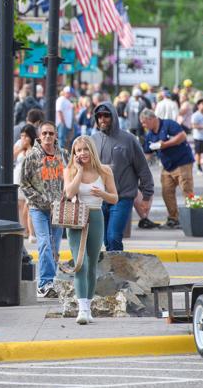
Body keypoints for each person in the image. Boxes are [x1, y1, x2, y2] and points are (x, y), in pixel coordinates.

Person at [63, 137, 118, 324]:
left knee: (92, 263)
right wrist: (78, 172)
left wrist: (102, 194)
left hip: (95, 217)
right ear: (74, 153)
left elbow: (115, 198)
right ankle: (82, 310)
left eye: (85, 149)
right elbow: (69, 193)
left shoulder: (104, 171)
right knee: (81, 263)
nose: (82, 153)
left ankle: (88, 306)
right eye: (78, 150)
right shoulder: (70, 170)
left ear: (92, 150)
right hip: (76, 220)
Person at [90, 102, 156, 242]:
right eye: (99, 116)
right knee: (105, 240)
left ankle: (117, 264)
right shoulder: (92, 140)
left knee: (114, 237)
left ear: (113, 116)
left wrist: (146, 196)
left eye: (106, 115)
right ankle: (114, 264)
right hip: (99, 198)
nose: (102, 119)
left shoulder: (129, 140)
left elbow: (143, 169)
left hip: (122, 198)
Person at [21, 121, 68, 298]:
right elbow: (24, 184)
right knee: (45, 243)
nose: (48, 136)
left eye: (51, 133)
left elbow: (69, 178)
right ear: (39, 136)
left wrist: (67, 196)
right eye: (45, 133)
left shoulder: (63, 155)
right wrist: (41, 200)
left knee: (54, 246)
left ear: (56, 135)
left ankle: (52, 282)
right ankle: (44, 282)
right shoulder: (32, 156)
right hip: (38, 209)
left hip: (59, 208)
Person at [140, 109, 195, 229]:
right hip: (167, 167)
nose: (143, 126)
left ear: (152, 119)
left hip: (183, 162)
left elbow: (182, 136)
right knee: (166, 192)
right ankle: (173, 218)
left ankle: (192, 218)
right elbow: (147, 153)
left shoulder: (169, 124)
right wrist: (139, 166)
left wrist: (165, 144)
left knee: (187, 190)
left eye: (144, 123)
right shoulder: (150, 135)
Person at [14, 125, 39, 241]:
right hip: (18, 177)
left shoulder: (34, 148)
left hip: (28, 181)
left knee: (27, 206)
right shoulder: (19, 144)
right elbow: (12, 156)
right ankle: (24, 229)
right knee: (20, 206)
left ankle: (29, 230)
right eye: (22, 135)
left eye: (26, 136)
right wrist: (21, 148)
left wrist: (28, 146)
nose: (23, 138)